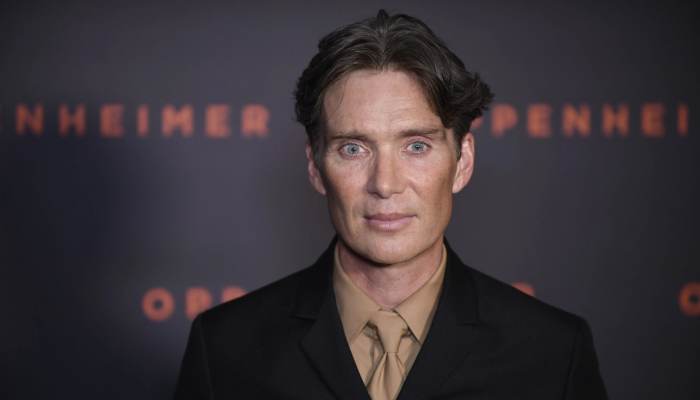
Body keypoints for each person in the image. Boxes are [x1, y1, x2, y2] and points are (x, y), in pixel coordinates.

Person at [174, 9, 608, 400]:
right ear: (315, 166)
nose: (385, 184)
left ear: (462, 162)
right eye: (353, 149)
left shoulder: (553, 353)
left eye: (416, 146)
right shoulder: (226, 349)